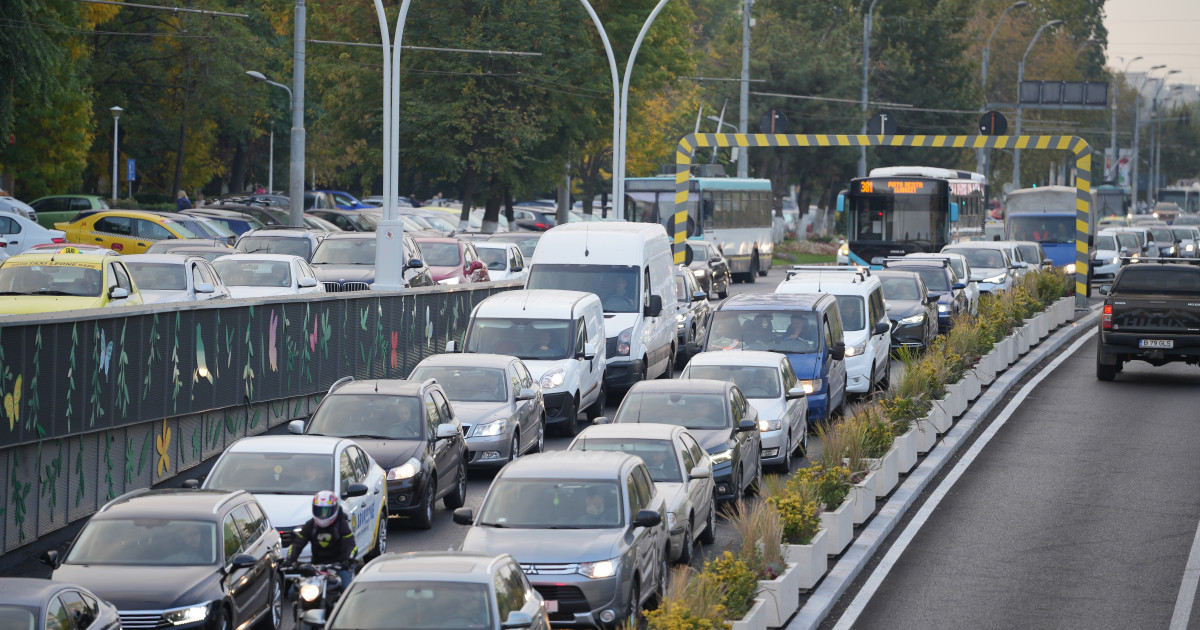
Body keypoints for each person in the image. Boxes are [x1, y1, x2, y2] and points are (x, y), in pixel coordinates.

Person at [286, 491, 357, 591]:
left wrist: (348, 560)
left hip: (338, 566)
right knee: (293, 592)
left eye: (326, 511)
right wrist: (290, 560)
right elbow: (297, 544)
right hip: (316, 567)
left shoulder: (341, 525)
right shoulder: (310, 525)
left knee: (348, 589)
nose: (323, 515)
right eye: (319, 511)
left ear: (334, 509)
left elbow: (351, 546)